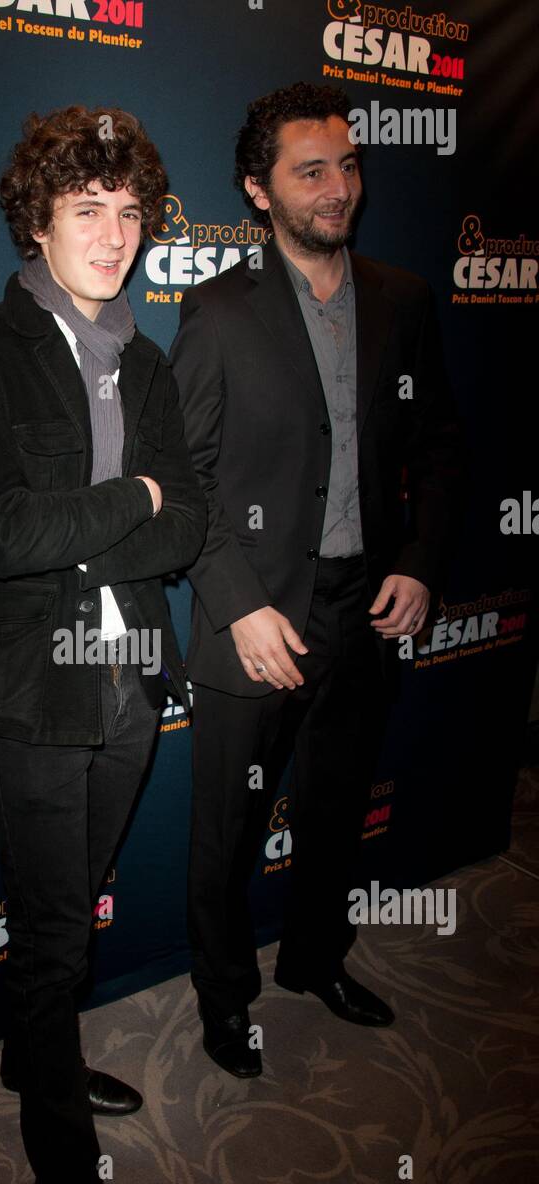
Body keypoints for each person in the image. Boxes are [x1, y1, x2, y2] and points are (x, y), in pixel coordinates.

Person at [0, 106, 206, 1184]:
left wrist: (135, 511)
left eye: (129, 210)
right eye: (85, 208)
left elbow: (187, 523)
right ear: (36, 222)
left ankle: (27, 1054)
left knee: (78, 901)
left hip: (127, 675)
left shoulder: (150, 360)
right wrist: (134, 501)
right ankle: (64, 1172)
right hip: (32, 685)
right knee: (49, 938)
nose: (112, 233)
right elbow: (3, 531)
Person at [169, 82, 462, 1079]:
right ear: (260, 192)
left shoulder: (404, 299)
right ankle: (224, 1000)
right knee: (230, 832)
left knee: (336, 808)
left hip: (362, 610)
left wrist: (420, 563)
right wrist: (239, 603)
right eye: (311, 171)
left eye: (350, 164)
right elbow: (183, 480)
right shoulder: (214, 313)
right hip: (254, 615)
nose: (340, 188)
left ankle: (315, 960)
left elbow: (437, 445)